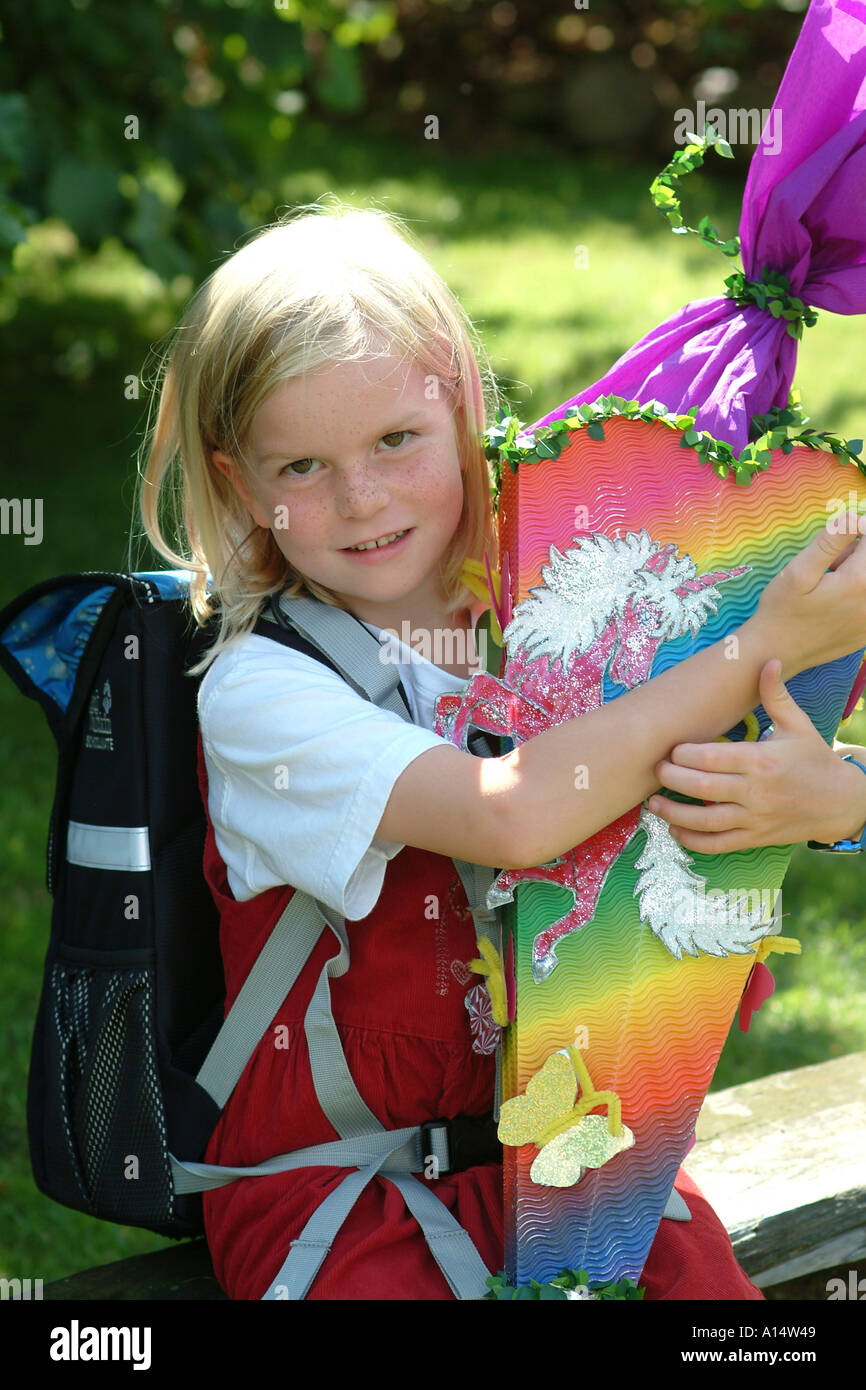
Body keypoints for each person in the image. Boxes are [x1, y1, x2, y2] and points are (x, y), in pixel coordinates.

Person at [139, 201, 866, 1301]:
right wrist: (761, 644)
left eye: (395, 440)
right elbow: (510, 812)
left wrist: (834, 800)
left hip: (581, 1157)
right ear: (239, 482)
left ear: (462, 403)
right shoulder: (262, 690)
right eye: (302, 467)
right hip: (345, 1200)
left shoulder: (544, 604)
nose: (360, 498)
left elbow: (706, 755)